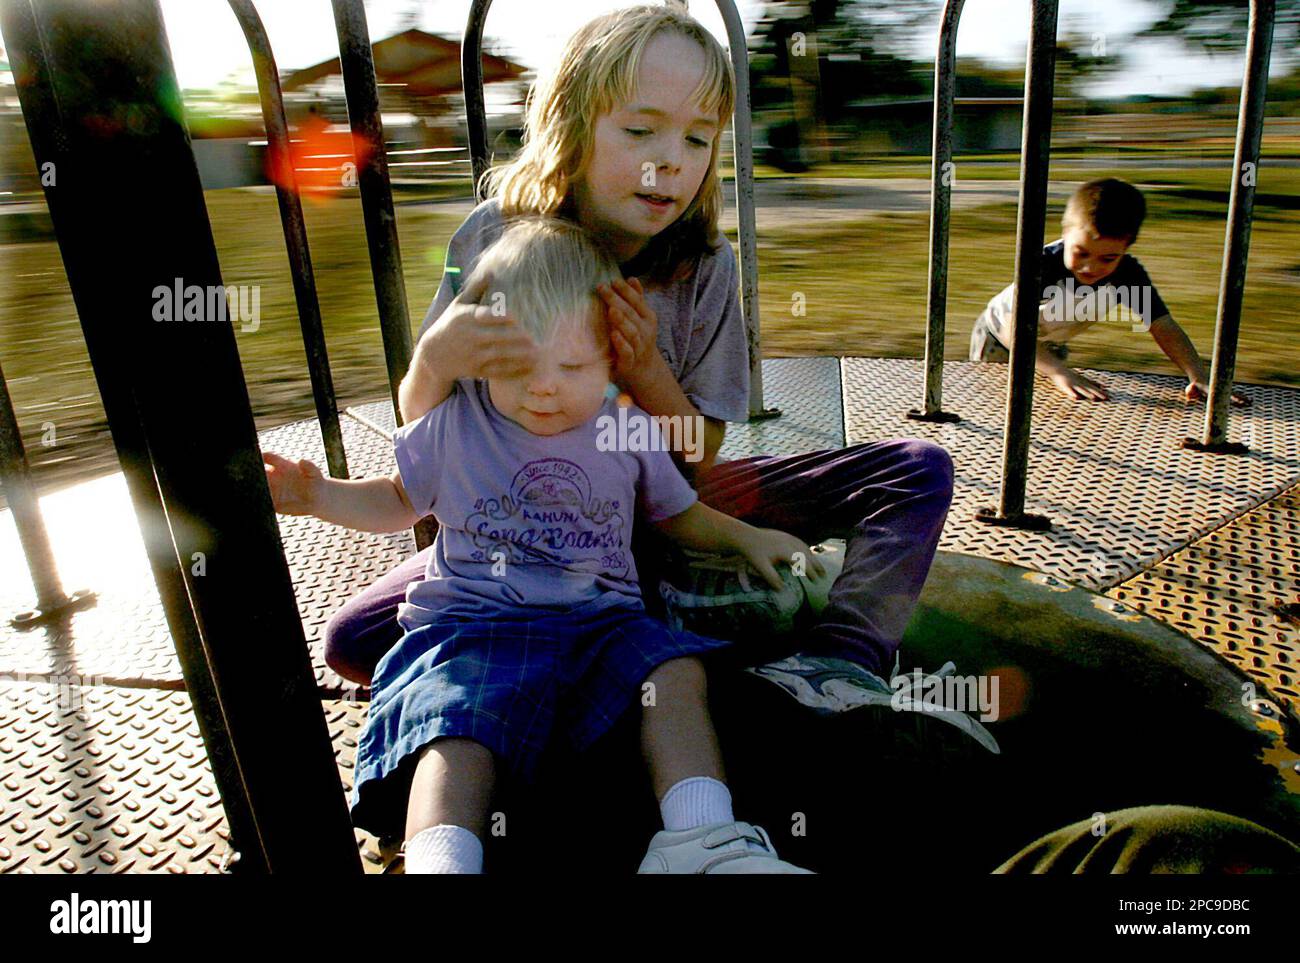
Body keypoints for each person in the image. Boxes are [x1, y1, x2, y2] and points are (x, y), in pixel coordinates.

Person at [322, 3, 957, 714]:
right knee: (354, 640)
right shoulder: (490, 237)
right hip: (525, 530)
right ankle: (666, 623)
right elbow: (423, 419)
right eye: (640, 129)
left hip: (668, 507)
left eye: (697, 138)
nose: (669, 161)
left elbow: (696, 459)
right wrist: (435, 357)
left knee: (915, 470)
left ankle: (836, 660)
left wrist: (648, 371)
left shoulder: (705, 268)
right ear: (572, 123)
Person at [264, 218, 822, 873]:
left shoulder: (625, 428)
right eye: (520, 366)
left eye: (572, 365)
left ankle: (703, 840)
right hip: (473, 624)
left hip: (598, 623)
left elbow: (679, 513)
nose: (545, 387)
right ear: (482, 360)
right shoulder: (457, 423)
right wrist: (319, 495)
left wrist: (748, 536)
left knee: (674, 673)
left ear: (613, 360)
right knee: (455, 723)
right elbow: (395, 497)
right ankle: (441, 859)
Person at [969, 176, 1252, 406]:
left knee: (1049, 404)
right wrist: (1058, 371)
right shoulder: (1045, 265)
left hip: (1049, 339)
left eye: (1108, 259)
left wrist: (1198, 375)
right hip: (1000, 336)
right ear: (1065, 233)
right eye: (1081, 253)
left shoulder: (1128, 275)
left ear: (1126, 249)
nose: (1091, 268)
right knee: (1000, 402)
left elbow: (1162, 325)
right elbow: (1013, 328)